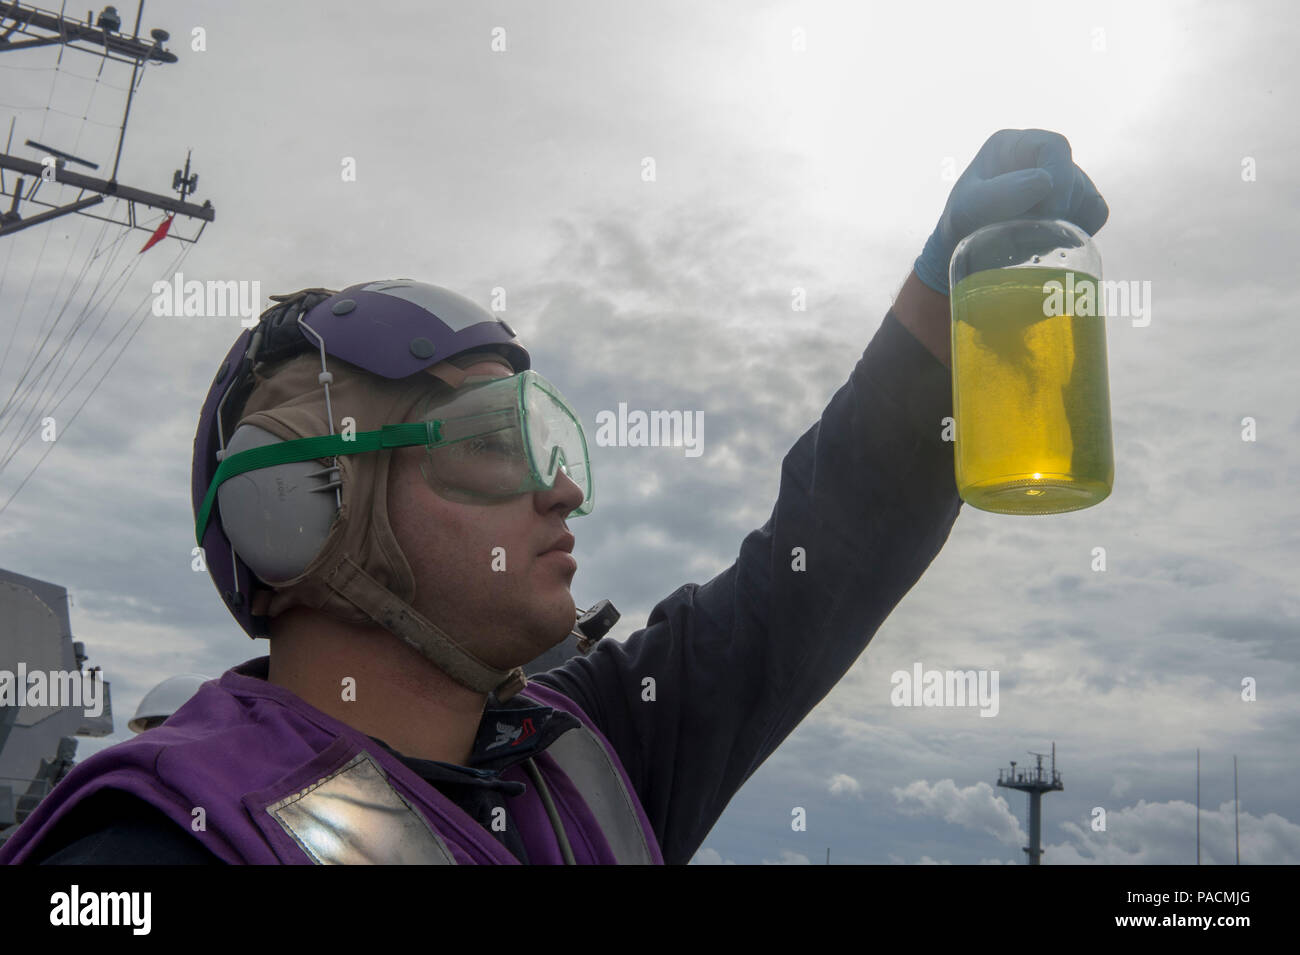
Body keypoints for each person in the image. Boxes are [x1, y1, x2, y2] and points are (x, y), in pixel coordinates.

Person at [0, 129, 1107, 865]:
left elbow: (818, 559)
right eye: (493, 447)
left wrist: (945, 284)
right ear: (298, 501)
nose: (564, 489)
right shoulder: (150, 851)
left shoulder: (589, 751)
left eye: (552, 443)